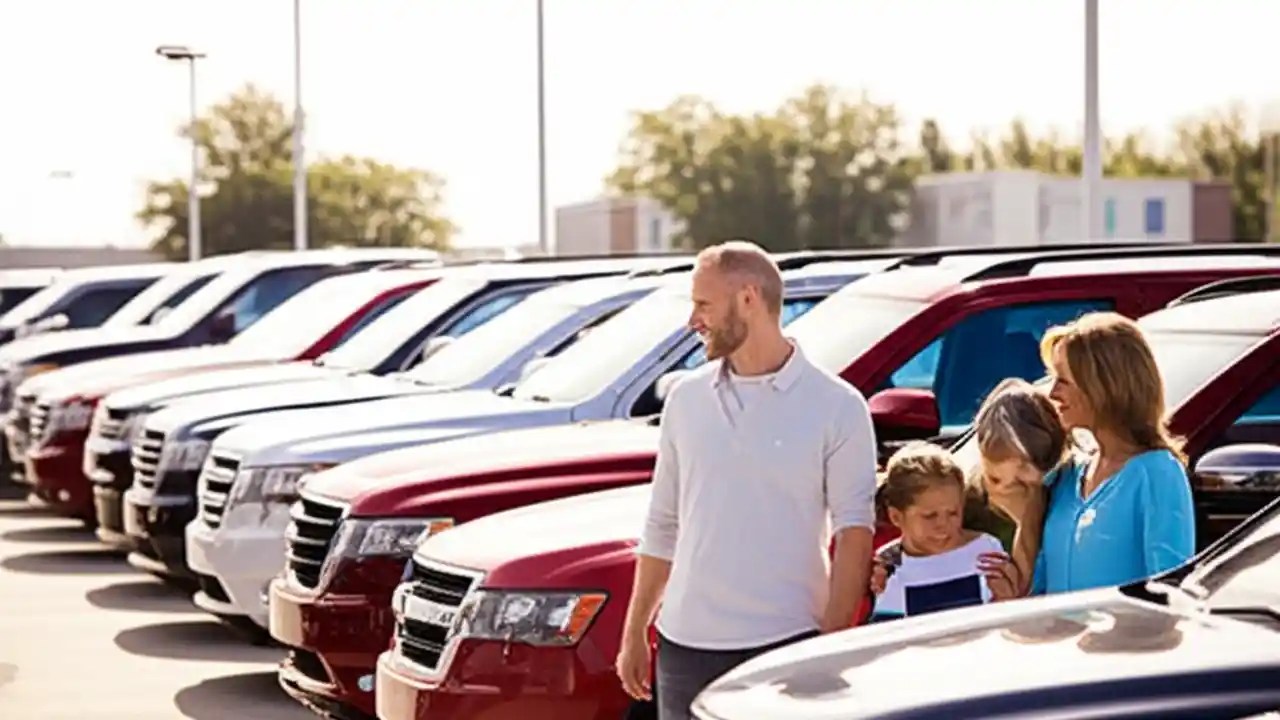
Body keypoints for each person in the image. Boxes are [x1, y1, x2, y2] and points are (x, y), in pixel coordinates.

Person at [615, 239, 878, 720]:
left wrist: (831, 643)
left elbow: (855, 532)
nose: (693, 321)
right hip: (684, 649)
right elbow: (662, 522)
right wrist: (636, 631)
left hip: (786, 645)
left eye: (703, 304)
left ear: (749, 299)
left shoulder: (837, 406)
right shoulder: (685, 400)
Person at [983, 311, 1196, 595]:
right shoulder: (1066, 476)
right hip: (1060, 639)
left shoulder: (1158, 473)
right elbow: (1039, 590)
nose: (1052, 393)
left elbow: (1170, 591)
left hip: (1125, 640)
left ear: (1105, 388)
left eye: (1064, 381)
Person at [867, 442, 1005, 622]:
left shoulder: (986, 551)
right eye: (930, 516)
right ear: (896, 517)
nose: (943, 524)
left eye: (953, 513)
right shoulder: (887, 569)